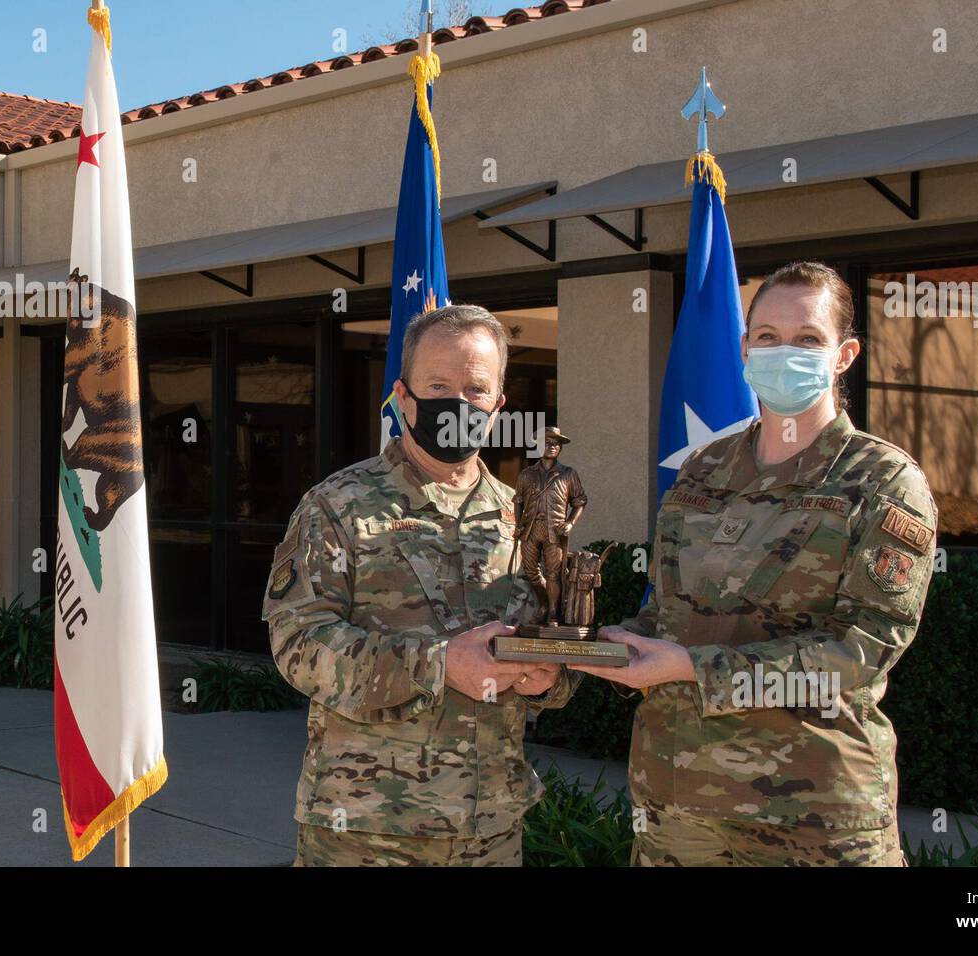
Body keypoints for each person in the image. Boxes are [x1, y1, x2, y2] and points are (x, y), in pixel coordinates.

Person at [573, 261, 937, 867]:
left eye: (807, 339)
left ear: (844, 354)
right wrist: (586, 649)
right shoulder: (702, 472)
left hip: (812, 813)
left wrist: (692, 669)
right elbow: (664, 618)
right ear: (744, 348)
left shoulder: (882, 481)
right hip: (678, 802)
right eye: (766, 337)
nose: (782, 352)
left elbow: (860, 652)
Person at [263, 303, 576, 866]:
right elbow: (298, 646)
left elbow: (553, 651)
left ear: (498, 406)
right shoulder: (337, 507)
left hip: (491, 831)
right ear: (404, 398)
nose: (457, 402)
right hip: (367, 831)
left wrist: (547, 679)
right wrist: (438, 663)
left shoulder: (521, 518)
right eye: (438, 385)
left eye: (475, 389)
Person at [513, 427, 587, 625]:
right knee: (530, 571)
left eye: (557, 443)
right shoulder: (526, 474)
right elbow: (518, 500)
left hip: (554, 530)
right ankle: (544, 603)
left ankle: (553, 612)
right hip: (530, 528)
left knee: (554, 573)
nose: (553, 446)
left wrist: (570, 523)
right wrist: (518, 524)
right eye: (547, 442)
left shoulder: (568, 474)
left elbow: (579, 501)